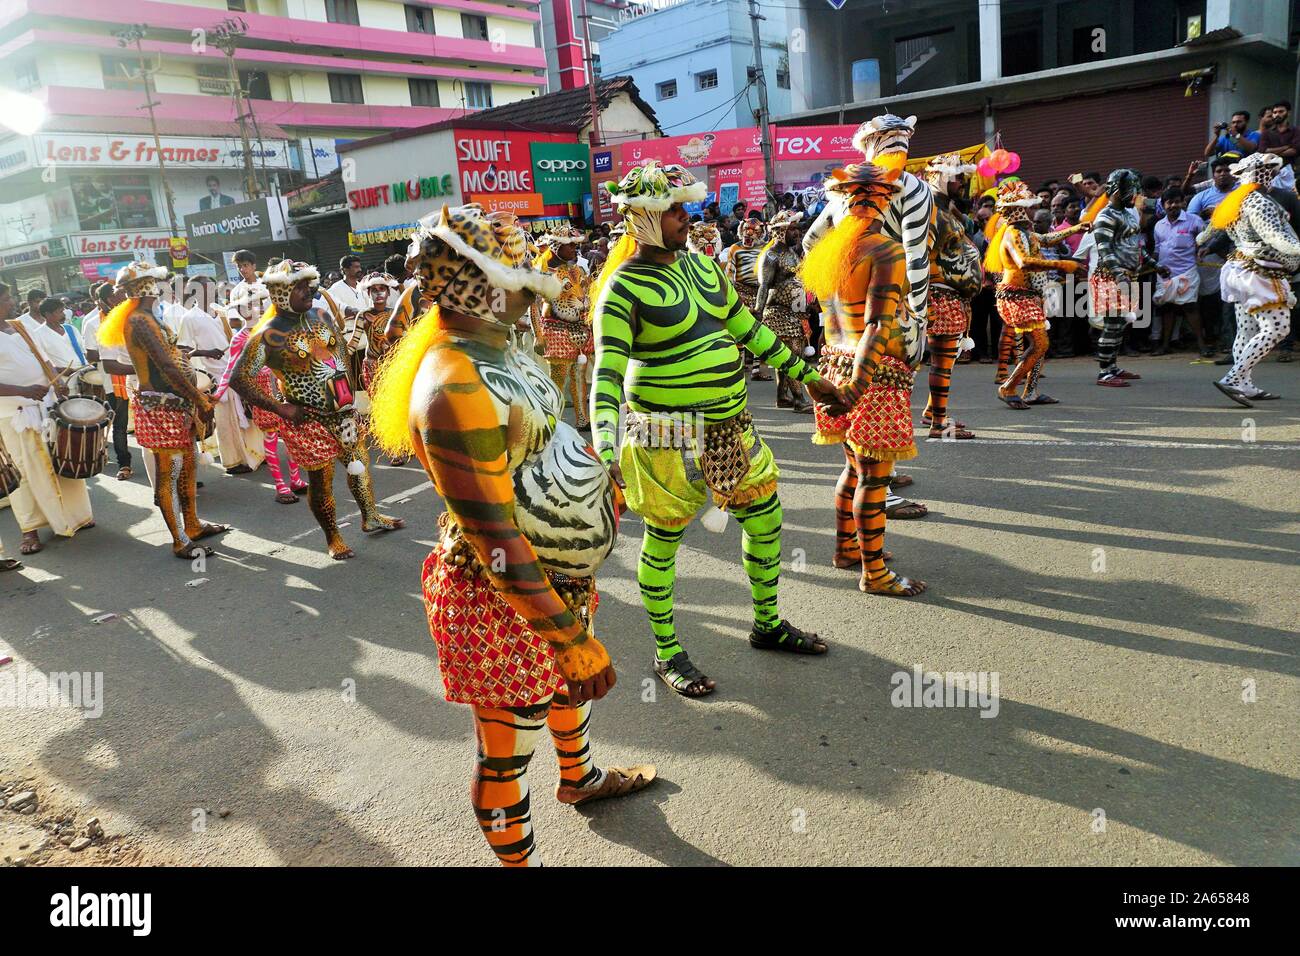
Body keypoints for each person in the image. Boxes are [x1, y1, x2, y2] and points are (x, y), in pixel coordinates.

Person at [369, 202, 656, 866]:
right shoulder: (454, 388)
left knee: (563, 691)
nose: (536, 295)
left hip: (552, 573)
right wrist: (570, 636)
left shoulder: (503, 346)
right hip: (499, 592)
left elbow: (545, 438)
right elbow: (494, 538)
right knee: (507, 744)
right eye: (521, 282)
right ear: (478, 284)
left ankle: (579, 778)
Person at [592, 160, 839, 697]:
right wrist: (605, 444)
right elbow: (607, 374)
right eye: (674, 210)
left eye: (684, 207)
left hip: (732, 425)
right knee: (664, 539)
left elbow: (748, 328)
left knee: (766, 517)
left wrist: (809, 377)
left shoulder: (704, 267)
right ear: (643, 220)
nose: (687, 217)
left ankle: (767, 623)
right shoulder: (621, 291)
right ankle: (667, 652)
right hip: (665, 435)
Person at [802, 161, 927, 596]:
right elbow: (876, 325)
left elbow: (826, 319)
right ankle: (874, 573)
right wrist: (858, 385)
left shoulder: (828, 251)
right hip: (869, 373)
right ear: (884, 202)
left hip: (833, 361)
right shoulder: (885, 250)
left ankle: (847, 550)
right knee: (875, 476)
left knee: (854, 469)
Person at [231, 260, 402, 558]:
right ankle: (333, 538)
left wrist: (351, 400)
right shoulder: (268, 335)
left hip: (343, 413)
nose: (307, 291)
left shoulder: (321, 313)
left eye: (308, 284)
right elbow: (239, 378)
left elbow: (340, 357)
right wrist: (282, 409)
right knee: (321, 484)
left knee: (359, 466)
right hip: (307, 419)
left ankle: (370, 516)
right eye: (299, 287)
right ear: (280, 294)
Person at [98, 263, 227, 559]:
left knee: (189, 464)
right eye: (158, 282)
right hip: (160, 407)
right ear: (148, 285)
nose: (163, 286)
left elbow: (171, 356)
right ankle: (180, 540)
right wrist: (200, 398)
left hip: (174, 404)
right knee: (169, 474)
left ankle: (192, 525)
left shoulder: (148, 315)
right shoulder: (140, 320)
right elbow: (165, 366)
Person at [0, 281, 94, 555]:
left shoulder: (18, 326)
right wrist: (24, 391)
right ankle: (29, 530)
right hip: (14, 414)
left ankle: (75, 516)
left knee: (62, 459)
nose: (11, 302)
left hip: (46, 405)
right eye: (6, 298)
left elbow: (43, 358)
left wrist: (57, 382)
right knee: (25, 472)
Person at [1201, 153, 1300, 405]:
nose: (1273, 176)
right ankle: (1234, 378)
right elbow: (1277, 238)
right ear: (1261, 174)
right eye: (1270, 172)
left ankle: (1244, 384)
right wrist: (1297, 247)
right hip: (1260, 272)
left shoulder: (1235, 200)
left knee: (1246, 331)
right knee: (1277, 328)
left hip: (1239, 269)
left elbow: (1207, 234)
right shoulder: (1258, 202)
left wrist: (1203, 239)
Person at [988, 180, 1084, 409]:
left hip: (1028, 295)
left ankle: (1030, 392)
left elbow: (1046, 239)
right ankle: (1008, 387)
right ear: (1019, 210)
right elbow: (1024, 263)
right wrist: (1063, 264)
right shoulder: (1013, 234)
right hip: (1016, 295)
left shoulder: (1026, 233)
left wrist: (1075, 229)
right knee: (1040, 344)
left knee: (1040, 343)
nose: (1033, 210)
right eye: (1029, 207)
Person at [212, 284, 307, 504]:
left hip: (284, 390)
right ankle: (280, 486)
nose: (252, 310)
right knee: (271, 439)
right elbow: (231, 370)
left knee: (292, 437)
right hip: (262, 395)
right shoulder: (239, 338)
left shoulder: (273, 329)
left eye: (256, 304)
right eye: (246, 306)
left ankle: (295, 480)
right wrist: (217, 394)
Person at [920, 153, 982, 439]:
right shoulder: (929, 212)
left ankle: (933, 412)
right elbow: (918, 255)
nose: (962, 182)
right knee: (942, 361)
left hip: (949, 295)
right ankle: (938, 424)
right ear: (939, 178)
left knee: (947, 359)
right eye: (956, 177)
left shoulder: (946, 210)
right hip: (937, 296)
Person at [182, 278, 265, 474]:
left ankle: (255, 455)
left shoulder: (221, 311)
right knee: (225, 421)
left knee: (247, 416)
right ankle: (233, 461)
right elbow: (182, 349)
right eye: (205, 288)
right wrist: (205, 352)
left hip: (234, 370)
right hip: (215, 375)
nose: (211, 291)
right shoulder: (190, 317)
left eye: (212, 287)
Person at [534, 224, 593, 430]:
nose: (574, 251)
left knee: (579, 377)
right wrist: (538, 334)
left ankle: (582, 419)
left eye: (575, 247)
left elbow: (585, 295)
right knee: (557, 380)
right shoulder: (542, 272)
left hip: (579, 329)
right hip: (555, 329)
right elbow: (534, 303)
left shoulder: (576, 269)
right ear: (556, 246)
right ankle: (553, 420)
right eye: (570, 247)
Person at [1090, 169, 1145, 388]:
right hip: (1110, 277)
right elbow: (1104, 249)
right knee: (1112, 324)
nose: (1134, 196)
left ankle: (1113, 367)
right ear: (1116, 190)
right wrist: (1119, 273)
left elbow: (1133, 245)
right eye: (1131, 191)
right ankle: (1104, 372)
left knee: (1120, 324)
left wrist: (1154, 264)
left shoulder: (1126, 214)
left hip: (1126, 276)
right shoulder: (1105, 216)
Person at [754, 209, 813, 412]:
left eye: (798, 229)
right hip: (778, 313)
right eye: (792, 229)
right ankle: (799, 398)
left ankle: (782, 396)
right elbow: (764, 285)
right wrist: (757, 311)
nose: (797, 233)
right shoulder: (770, 256)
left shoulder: (791, 253)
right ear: (780, 231)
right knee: (794, 357)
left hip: (794, 313)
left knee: (786, 357)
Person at [1152, 188, 1208, 356]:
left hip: (1187, 271)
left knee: (1190, 308)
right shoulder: (1158, 225)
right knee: (1168, 309)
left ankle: (1202, 346)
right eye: (1169, 202)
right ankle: (1165, 345)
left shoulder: (1194, 221)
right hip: (1165, 274)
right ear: (1163, 206)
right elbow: (1157, 248)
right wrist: (1151, 263)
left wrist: (1202, 249)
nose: (1173, 205)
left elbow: (1205, 240)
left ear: (1183, 203)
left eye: (1177, 201)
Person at [724, 217, 771, 381]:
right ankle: (739, 367)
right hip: (740, 291)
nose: (749, 234)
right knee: (740, 330)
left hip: (759, 292)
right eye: (746, 230)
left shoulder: (765, 248)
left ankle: (756, 370)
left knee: (758, 331)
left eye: (754, 231)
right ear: (741, 231)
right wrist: (730, 292)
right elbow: (730, 272)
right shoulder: (734, 248)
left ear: (760, 233)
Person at [1261, 100, 1300, 171]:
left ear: (1288, 113)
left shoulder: (1296, 131)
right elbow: (1263, 150)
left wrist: (1272, 153)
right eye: (1275, 112)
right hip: (1270, 170)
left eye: (1281, 112)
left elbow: (1294, 151)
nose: (1277, 114)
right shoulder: (1266, 132)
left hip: (1291, 169)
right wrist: (1286, 147)